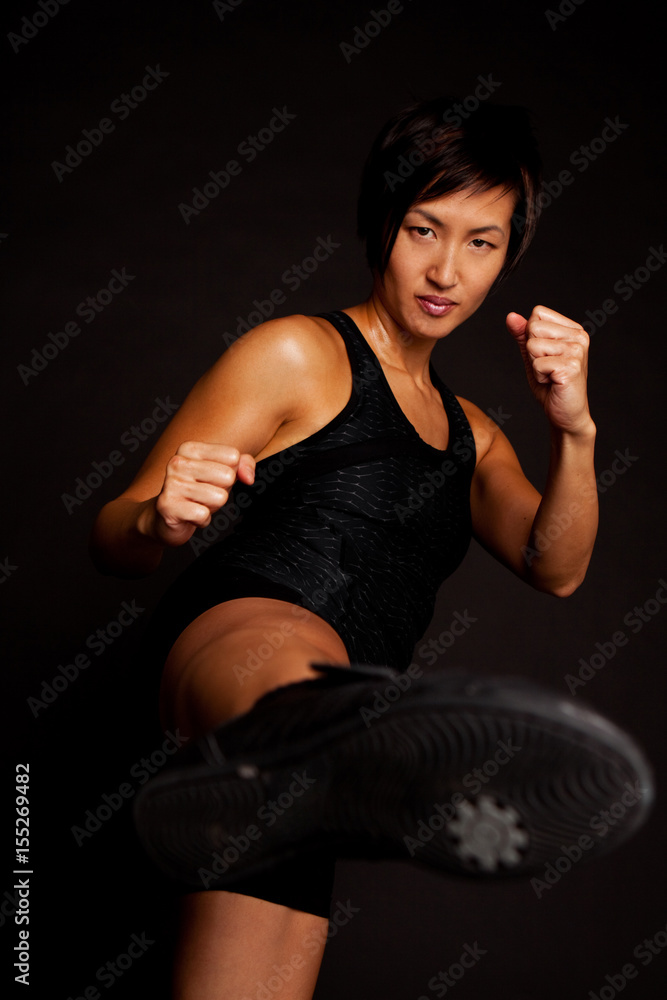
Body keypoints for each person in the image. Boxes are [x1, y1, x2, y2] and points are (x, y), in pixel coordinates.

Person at [90, 98, 652, 1000]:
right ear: (379, 223)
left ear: (508, 256)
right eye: (423, 228)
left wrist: (576, 433)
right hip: (238, 647)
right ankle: (370, 753)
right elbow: (112, 538)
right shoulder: (297, 355)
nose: (445, 269)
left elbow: (558, 566)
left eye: (482, 242)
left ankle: (327, 768)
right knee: (298, 685)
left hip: (295, 784)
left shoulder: (474, 438)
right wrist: (157, 518)